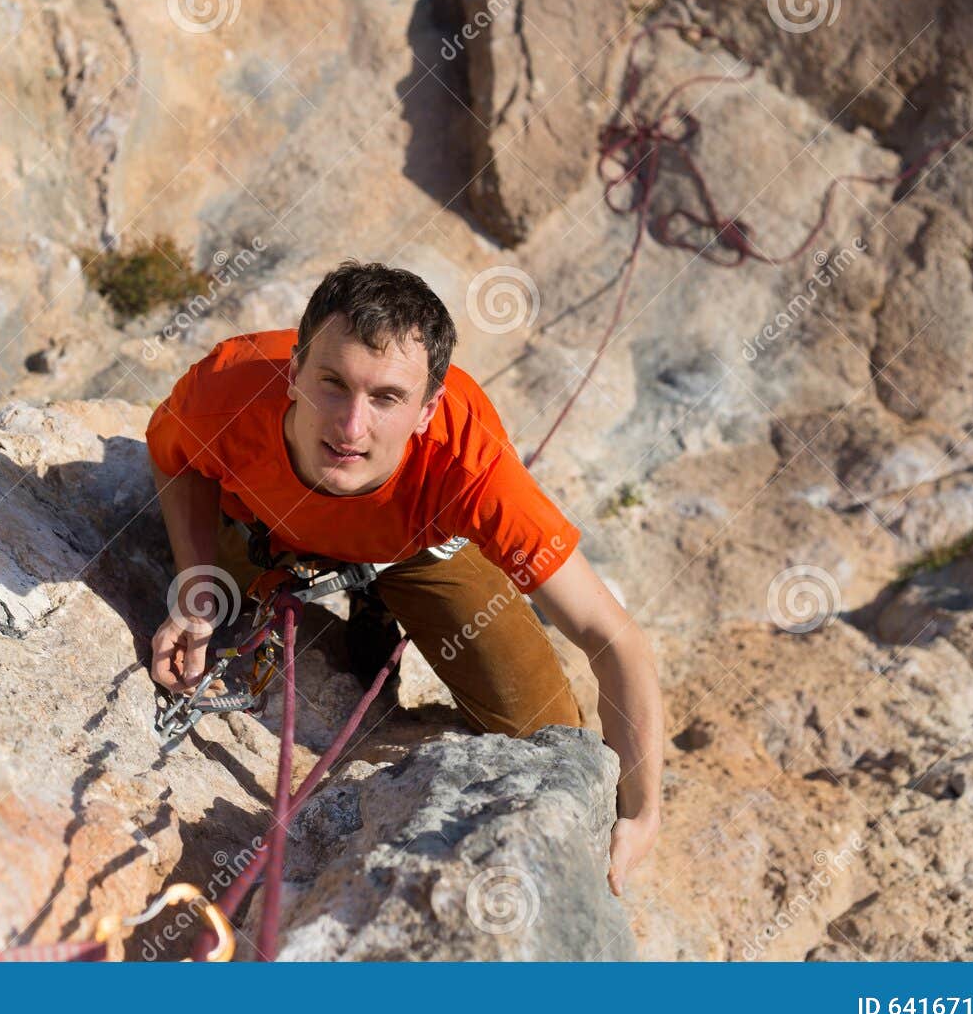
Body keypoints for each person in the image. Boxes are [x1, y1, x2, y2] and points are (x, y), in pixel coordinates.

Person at [144, 260, 661, 893]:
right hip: (268, 525)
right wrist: (196, 592)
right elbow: (176, 462)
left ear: (426, 409)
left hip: (416, 547)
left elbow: (612, 637)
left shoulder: (469, 465)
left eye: (387, 398)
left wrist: (641, 812)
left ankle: (380, 599)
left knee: (546, 736)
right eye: (332, 383)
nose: (351, 427)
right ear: (294, 374)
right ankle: (357, 600)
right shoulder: (225, 389)